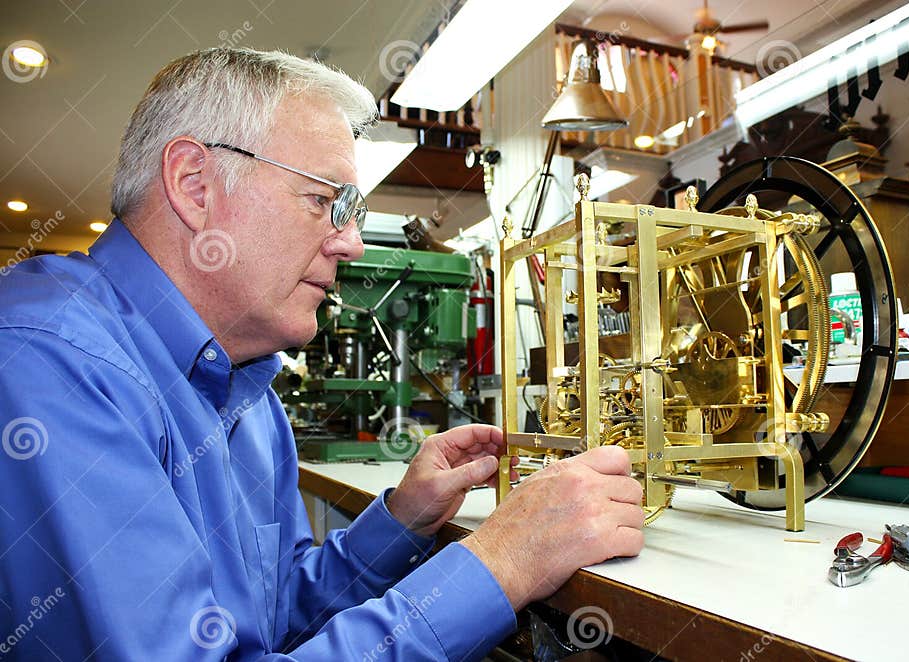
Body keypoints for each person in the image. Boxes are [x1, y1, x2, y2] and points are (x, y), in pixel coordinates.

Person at [0, 48, 644, 661]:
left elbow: (277, 618)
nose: (353, 243)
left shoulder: (249, 398)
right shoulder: (48, 366)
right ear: (194, 185)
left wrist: (401, 521)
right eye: (324, 201)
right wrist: (505, 563)